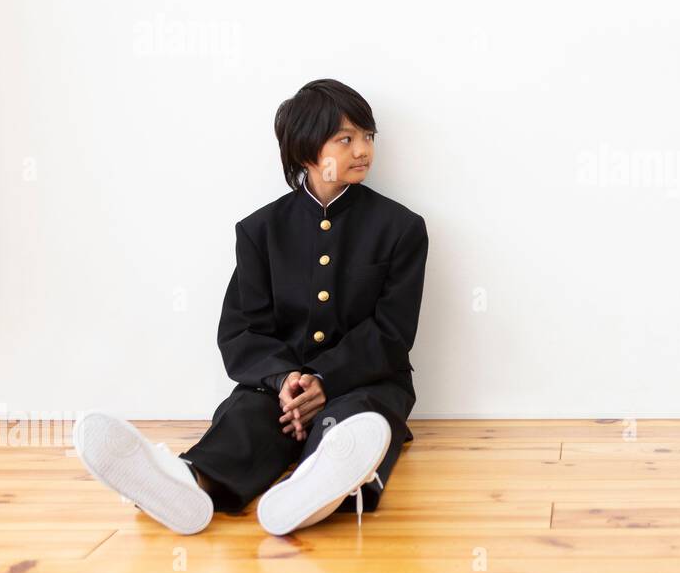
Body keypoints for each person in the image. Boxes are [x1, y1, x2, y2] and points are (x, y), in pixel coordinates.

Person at [74, 78, 429, 536]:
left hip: (366, 380)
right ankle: (186, 482)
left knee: (352, 424)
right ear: (306, 149)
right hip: (278, 389)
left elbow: (392, 332)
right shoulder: (260, 231)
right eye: (346, 138)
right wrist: (286, 380)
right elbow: (242, 331)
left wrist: (324, 379)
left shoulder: (400, 227)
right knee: (247, 419)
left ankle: (317, 487)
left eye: (368, 137)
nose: (362, 149)